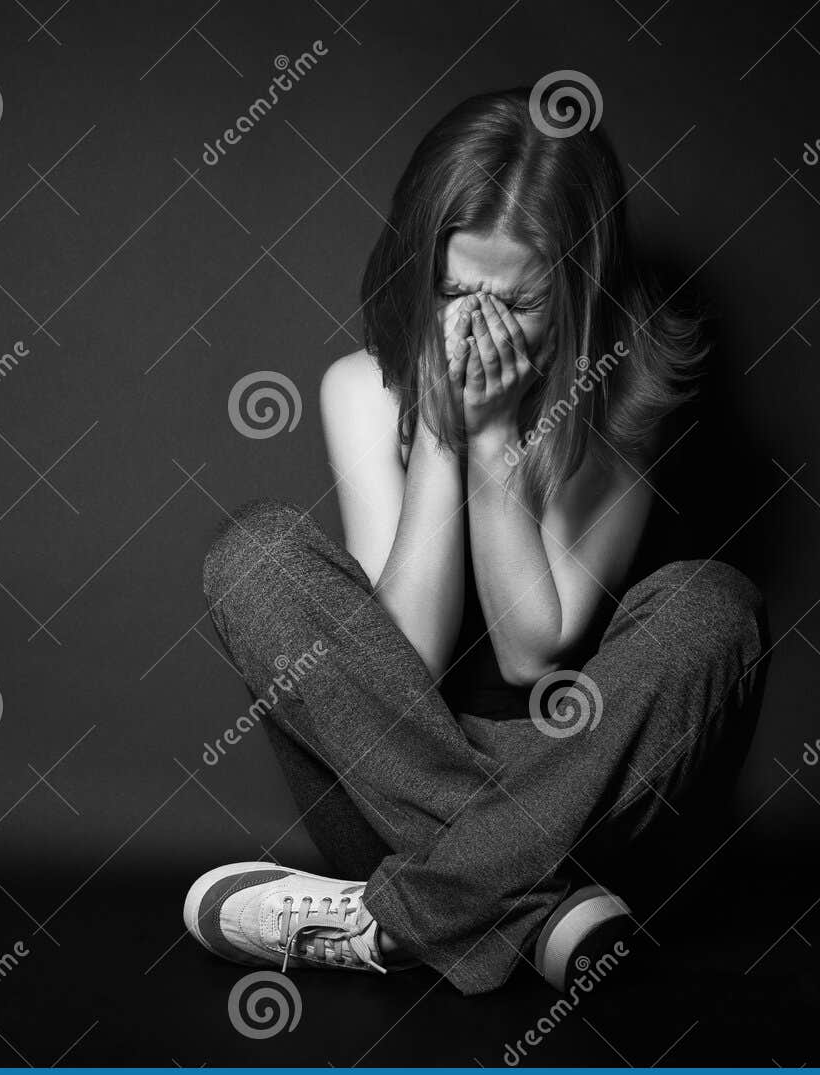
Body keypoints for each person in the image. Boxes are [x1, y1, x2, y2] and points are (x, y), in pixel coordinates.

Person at [182, 87, 768, 996]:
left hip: (583, 782)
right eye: (456, 292)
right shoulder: (363, 389)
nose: (476, 327)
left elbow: (537, 652)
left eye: (521, 304)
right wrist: (443, 443)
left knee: (714, 605)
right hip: (395, 795)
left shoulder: (625, 397)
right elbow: (399, 657)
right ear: (421, 272)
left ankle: (390, 921)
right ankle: (539, 912)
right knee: (252, 553)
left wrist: (495, 440)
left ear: (578, 294)